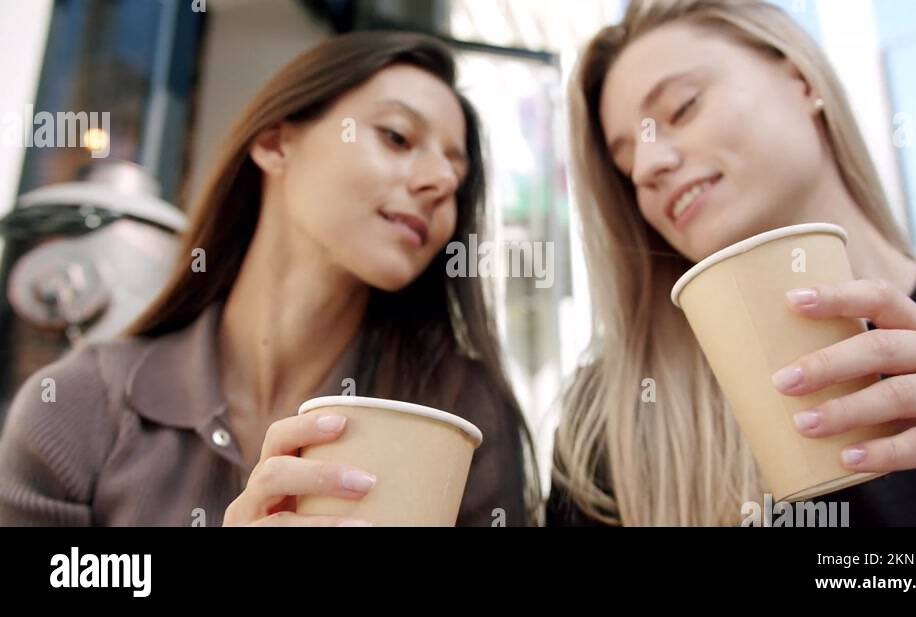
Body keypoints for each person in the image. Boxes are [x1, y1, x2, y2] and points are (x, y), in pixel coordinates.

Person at [0, 31, 539, 527]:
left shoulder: (463, 415)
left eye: (457, 173)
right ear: (276, 144)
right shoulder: (76, 404)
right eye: (397, 137)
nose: (442, 181)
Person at [548, 0, 916, 526]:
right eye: (626, 163)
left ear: (802, 81)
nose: (648, 166)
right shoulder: (611, 428)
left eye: (682, 108)